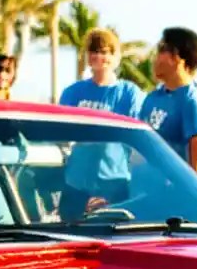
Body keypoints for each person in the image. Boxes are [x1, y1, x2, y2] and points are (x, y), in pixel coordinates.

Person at [57, 28, 147, 220]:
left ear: (116, 56)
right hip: (76, 182)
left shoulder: (129, 93)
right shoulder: (73, 92)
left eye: (105, 51)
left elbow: (136, 139)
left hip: (113, 182)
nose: (99, 56)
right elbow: (61, 134)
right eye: (94, 51)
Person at [137, 27, 197, 175]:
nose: (155, 57)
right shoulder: (151, 98)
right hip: (145, 191)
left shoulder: (191, 101)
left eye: (161, 49)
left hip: (171, 194)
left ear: (177, 57)